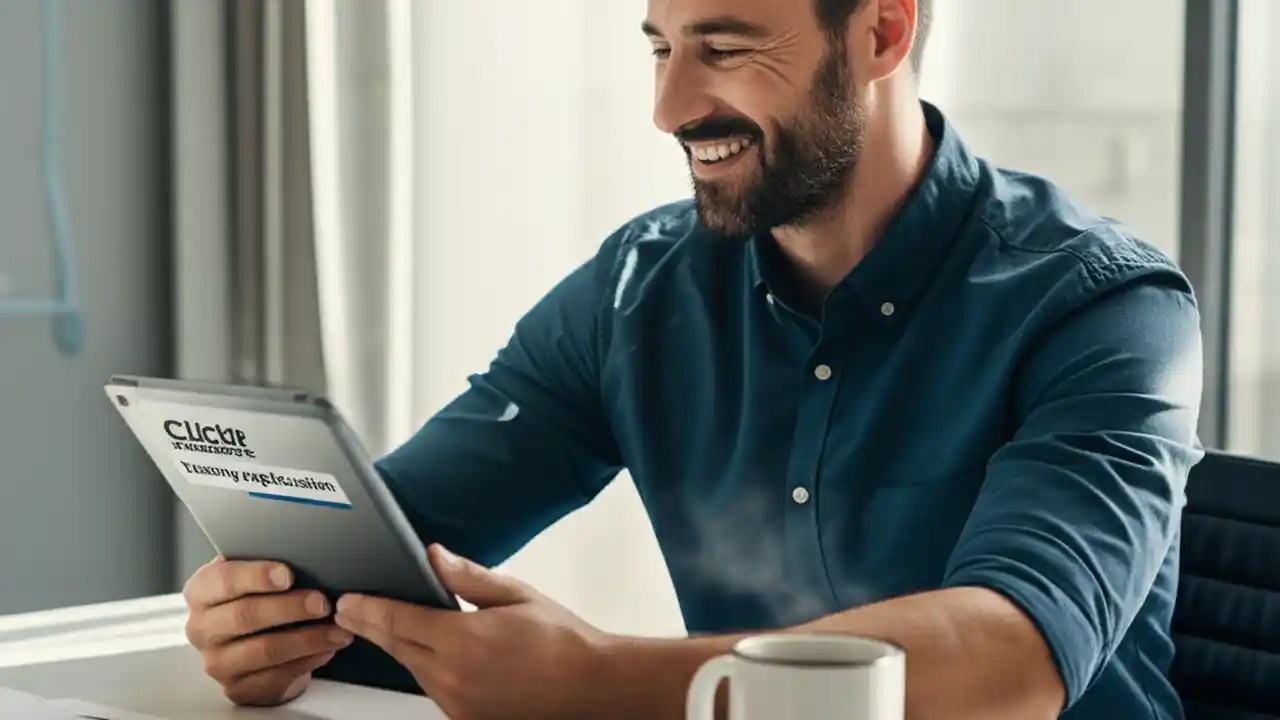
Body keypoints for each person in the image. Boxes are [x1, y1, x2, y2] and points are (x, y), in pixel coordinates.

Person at [179, 0, 1204, 717]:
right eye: (658, 48)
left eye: (722, 47)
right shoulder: (638, 286)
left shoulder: (1104, 307)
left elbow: (1009, 664)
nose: (668, 108)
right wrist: (275, 615)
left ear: (881, 31)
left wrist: (598, 685)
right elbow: (391, 547)